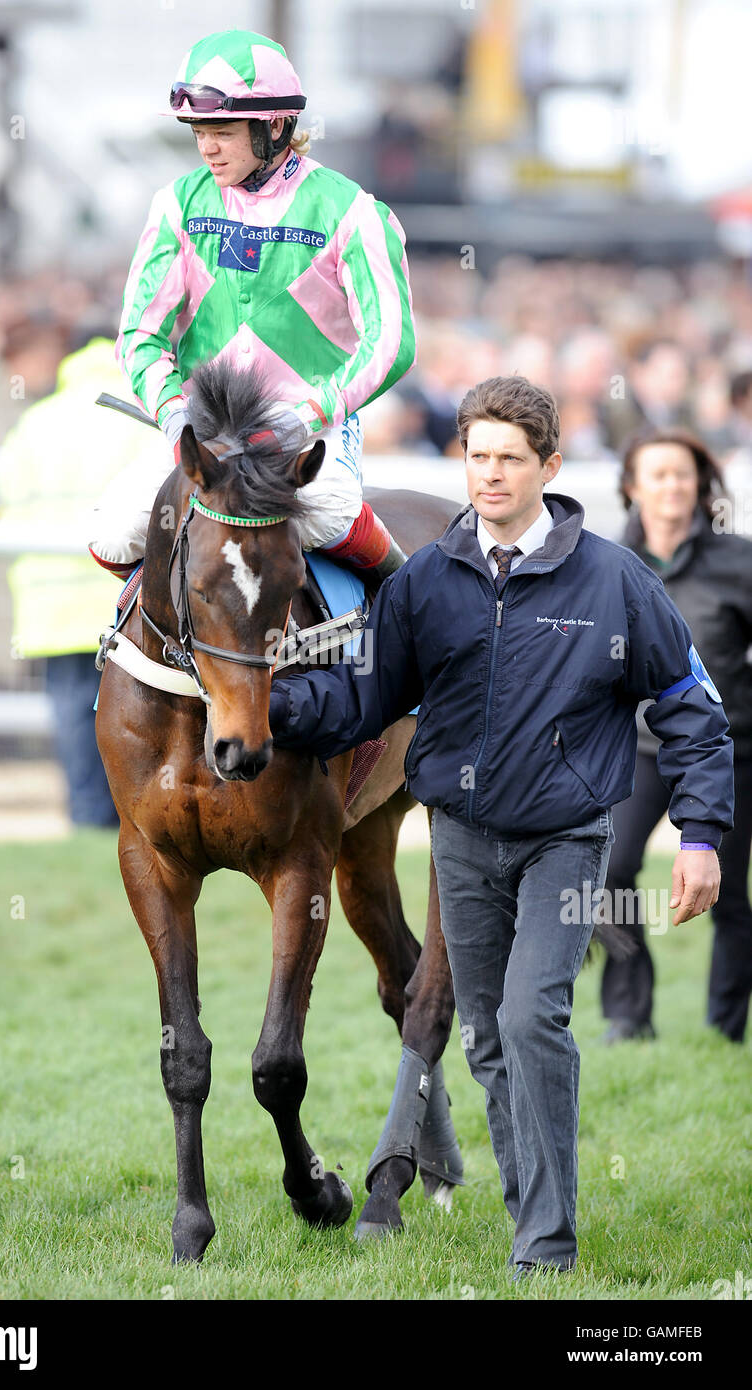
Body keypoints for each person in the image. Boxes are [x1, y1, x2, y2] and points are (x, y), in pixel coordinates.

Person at [266, 375, 733, 1276]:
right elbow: (365, 696)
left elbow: (690, 705)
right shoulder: (428, 579)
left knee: (530, 1019)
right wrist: (268, 706)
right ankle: (533, 1218)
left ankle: (547, 1250)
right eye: (476, 456)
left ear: (548, 466)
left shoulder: (613, 578)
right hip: (462, 839)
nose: (489, 475)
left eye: (508, 460)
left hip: (567, 839)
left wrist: (703, 836)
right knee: (483, 1036)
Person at [90, 27, 415, 584]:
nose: (206, 147)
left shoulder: (355, 212)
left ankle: (406, 601)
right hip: (204, 429)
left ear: (275, 125)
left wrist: (304, 419)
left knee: (330, 514)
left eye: (222, 131)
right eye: (199, 132)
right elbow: (138, 335)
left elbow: (391, 341)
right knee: (114, 531)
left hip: (308, 426)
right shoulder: (175, 204)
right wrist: (175, 419)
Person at [600, 428, 752, 1043]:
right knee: (611, 874)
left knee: (732, 893)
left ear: (700, 485)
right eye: (658, 474)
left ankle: (725, 1027)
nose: (673, 486)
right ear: (633, 487)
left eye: (683, 474)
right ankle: (629, 1017)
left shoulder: (737, 560)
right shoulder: (607, 563)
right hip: (637, 749)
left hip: (731, 750)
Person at [0, 333, 173, 827]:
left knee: (74, 719)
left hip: (50, 605)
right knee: (136, 717)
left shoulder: (35, 420)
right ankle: (135, 824)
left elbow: (6, 508)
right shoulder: (144, 419)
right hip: (124, 600)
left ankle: (85, 819)